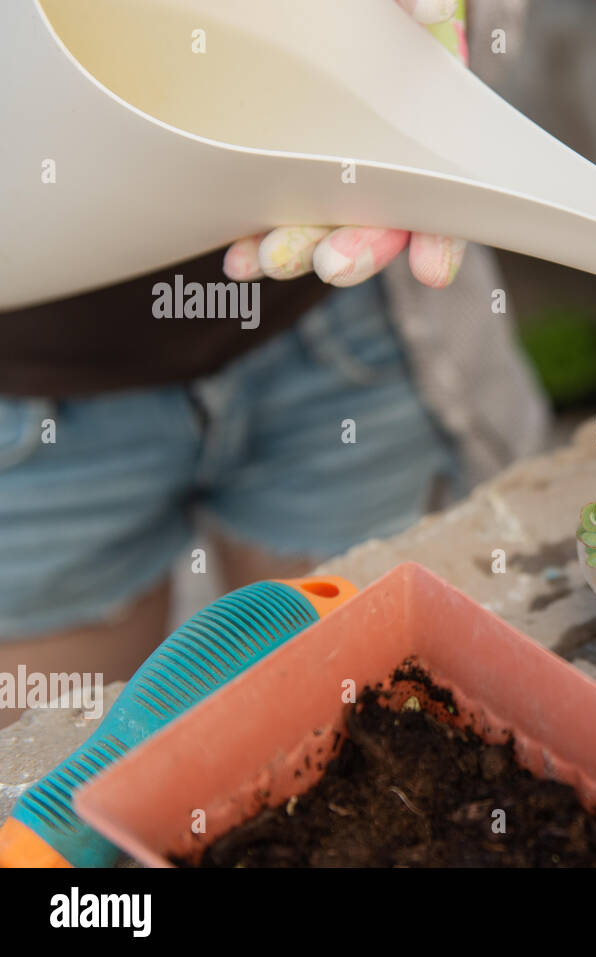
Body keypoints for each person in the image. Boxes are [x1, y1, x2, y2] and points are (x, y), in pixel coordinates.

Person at [0, 0, 548, 724]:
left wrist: (441, 27)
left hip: (341, 326)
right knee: (54, 778)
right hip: (29, 415)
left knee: (383, 727)